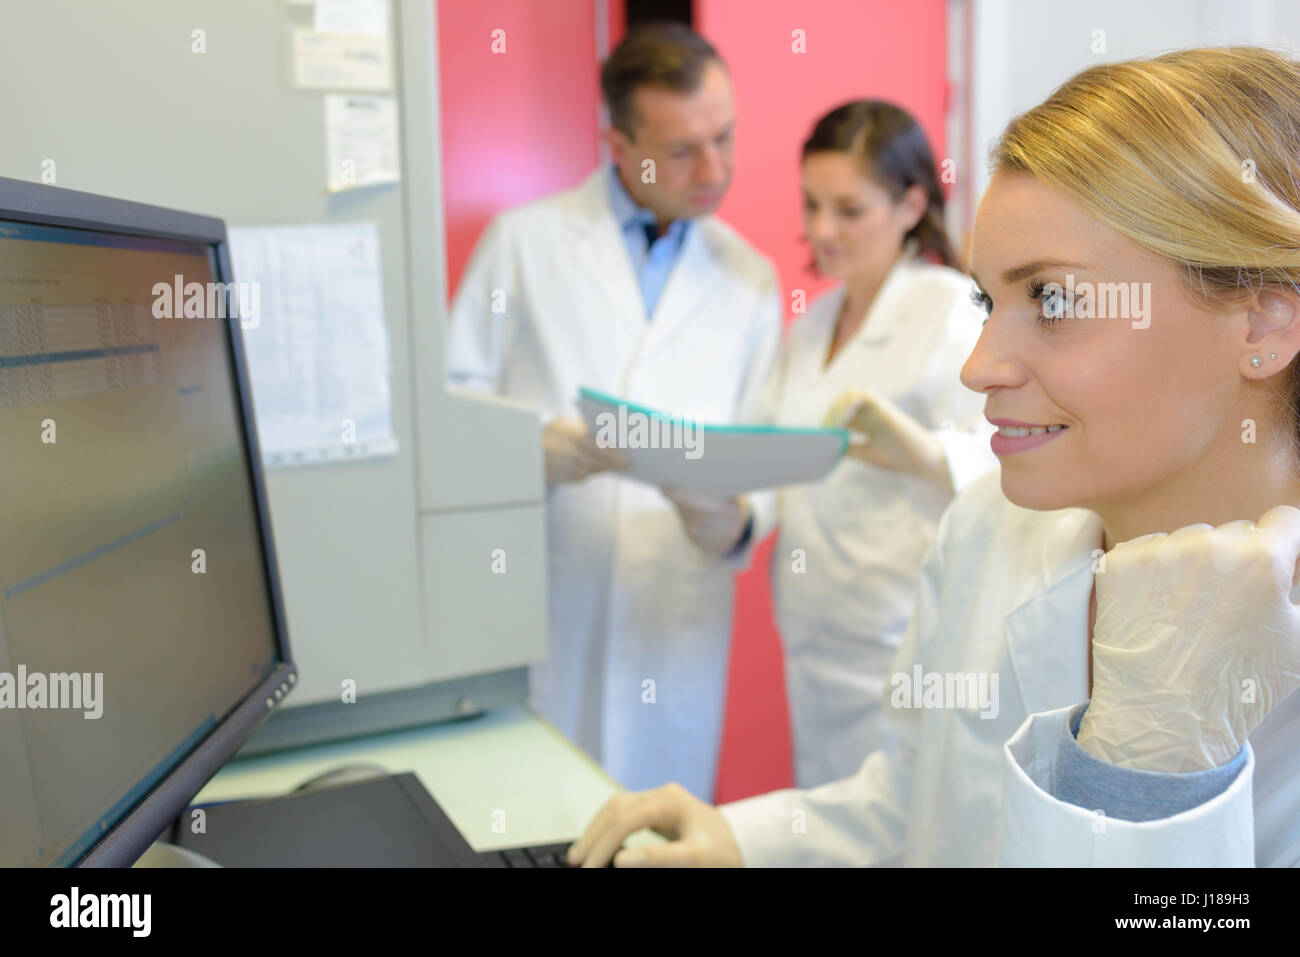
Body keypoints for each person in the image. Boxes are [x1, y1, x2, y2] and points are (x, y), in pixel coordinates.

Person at [565, 45, 1300, 866]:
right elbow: (915, 801)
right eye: (991, 300)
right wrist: (741, 837)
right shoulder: (990, 528)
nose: (977, 365)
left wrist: (1160, 768)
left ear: (1263, 323)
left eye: (1052, 299)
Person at [444, 23, 781, 802]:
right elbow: (450, 405)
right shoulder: (524, 244)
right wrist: (527, 447)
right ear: (619, 144)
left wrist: (739, 520)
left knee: (658, 830)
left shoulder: (750, 276)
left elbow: (763, 447)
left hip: (676, 609)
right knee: (536, 822)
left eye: (725, 138)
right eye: (684, 149)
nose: (715, 169)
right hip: (547, 596)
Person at [766, 100, 996, 788]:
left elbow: (1010, 451)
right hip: (815, 632)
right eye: (810, 205)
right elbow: (774, 454)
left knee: (896, 824)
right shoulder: (814, 325)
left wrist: (928, 454)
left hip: (903, 635)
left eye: (848, 209)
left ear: (911, 203)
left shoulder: (951, 307)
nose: (821, 230)